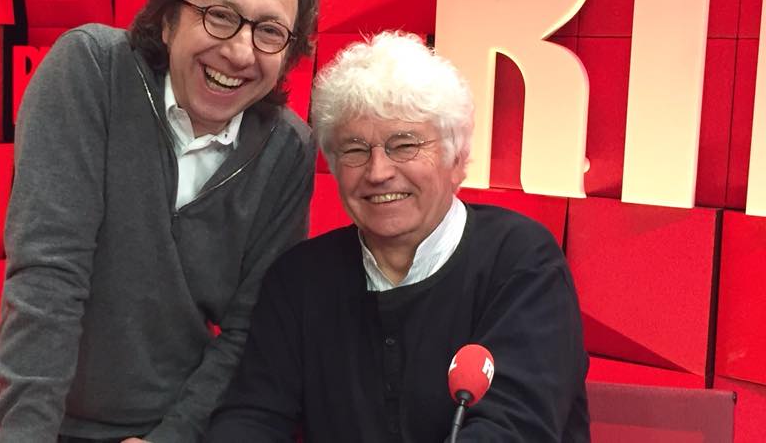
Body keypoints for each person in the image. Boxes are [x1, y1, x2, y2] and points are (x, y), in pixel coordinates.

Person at [0, 0, 320, 443]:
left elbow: (248, 329)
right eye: (219, 16)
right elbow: (49, 277)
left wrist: (173, 437)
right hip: (52, 424)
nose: (238, 52)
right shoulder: (91, 72)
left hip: (179, 427)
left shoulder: (288, 150)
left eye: (270, 32)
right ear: (169, 19)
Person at [206, 31, 590, 442]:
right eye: (354, 150)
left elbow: (513, 429)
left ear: (456, 158)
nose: (378, 172)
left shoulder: (521, 261)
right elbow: (251, 417)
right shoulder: (299, 281)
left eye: (404, 145)